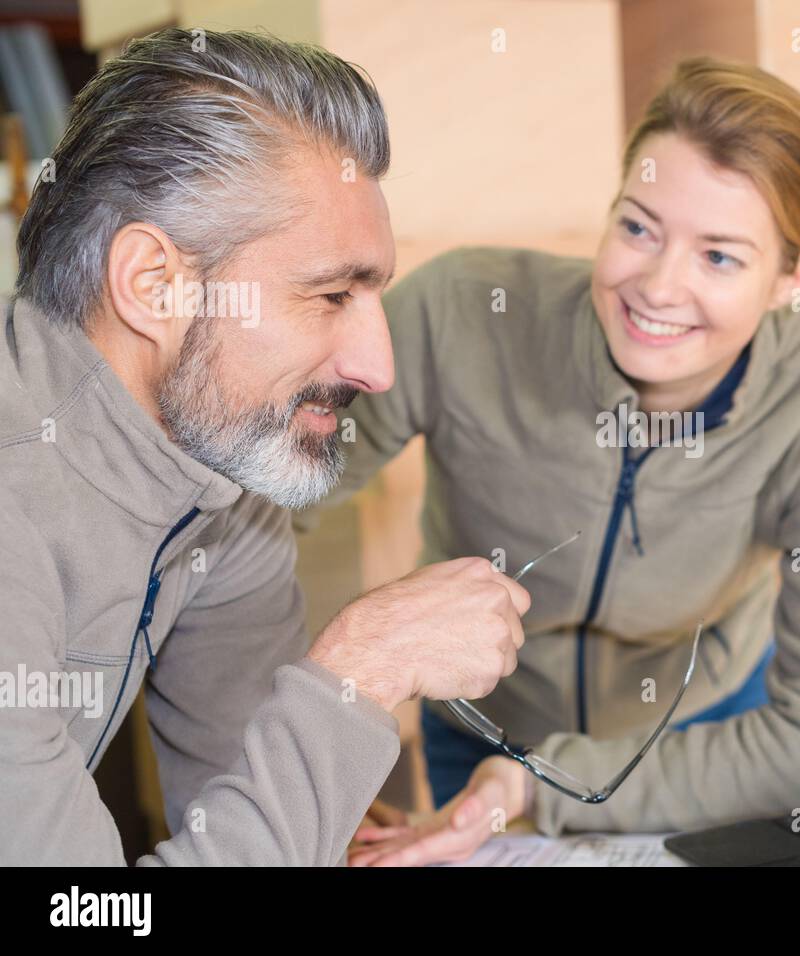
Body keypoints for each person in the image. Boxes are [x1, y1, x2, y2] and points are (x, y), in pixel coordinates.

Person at [334, 57, 800, 866]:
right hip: (485, 733)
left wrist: (541, 785)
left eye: (720, 257)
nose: (659, 289)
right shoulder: (459, 312)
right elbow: (251, 513)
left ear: (793, 274)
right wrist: (309, 743)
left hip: (714, 754)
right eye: (639, 227)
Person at [0, 28, 529, 865]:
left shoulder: (220, 478)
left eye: (373, 294)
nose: (378, 368)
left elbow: (249, 820)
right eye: (329, 294)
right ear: (151, 284)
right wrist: (363, 667)